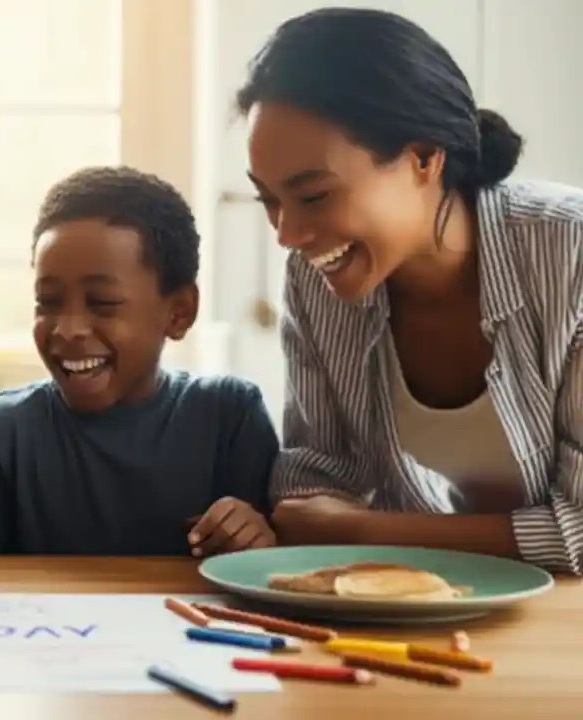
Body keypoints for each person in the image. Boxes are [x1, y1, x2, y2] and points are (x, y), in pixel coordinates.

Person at [240, 8, 583, 574]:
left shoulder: (569, 254)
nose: (287, 235)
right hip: (406, 614)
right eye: (269, 201)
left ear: (424, 158)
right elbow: (312, 486)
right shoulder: (316, 278)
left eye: (315, 196)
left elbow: (578, 535)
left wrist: (361, 530)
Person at [0, 166, 280, 599]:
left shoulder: (230, 416)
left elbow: (270, 561)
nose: (68, 328)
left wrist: (254, 532)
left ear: (179, 312)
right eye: (48, 302)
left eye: (103, 303)